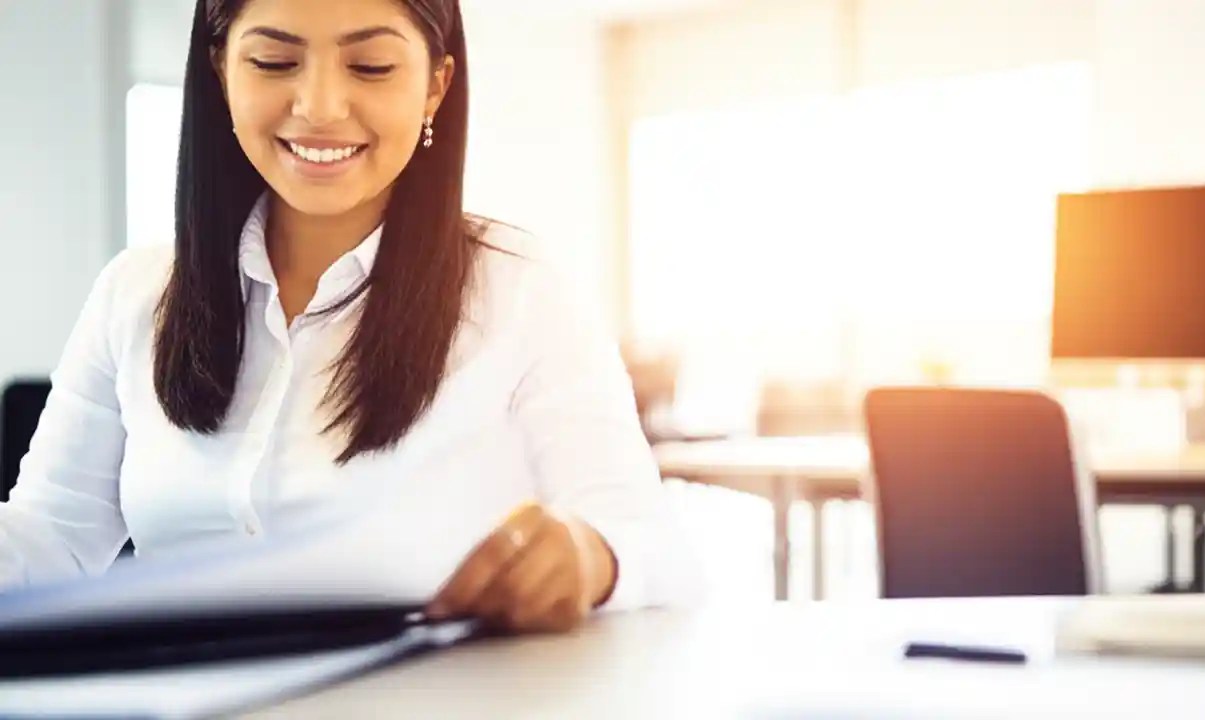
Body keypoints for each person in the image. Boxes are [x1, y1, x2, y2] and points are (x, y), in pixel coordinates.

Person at [0, 0, 698, 633]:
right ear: (220, 71)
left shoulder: (521, 291)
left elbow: (650, 545)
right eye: (275, 61)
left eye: (370, 65)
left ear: (435, 84)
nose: (321, 106)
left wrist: (588, 557)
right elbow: (48, 539)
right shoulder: (135, 294)